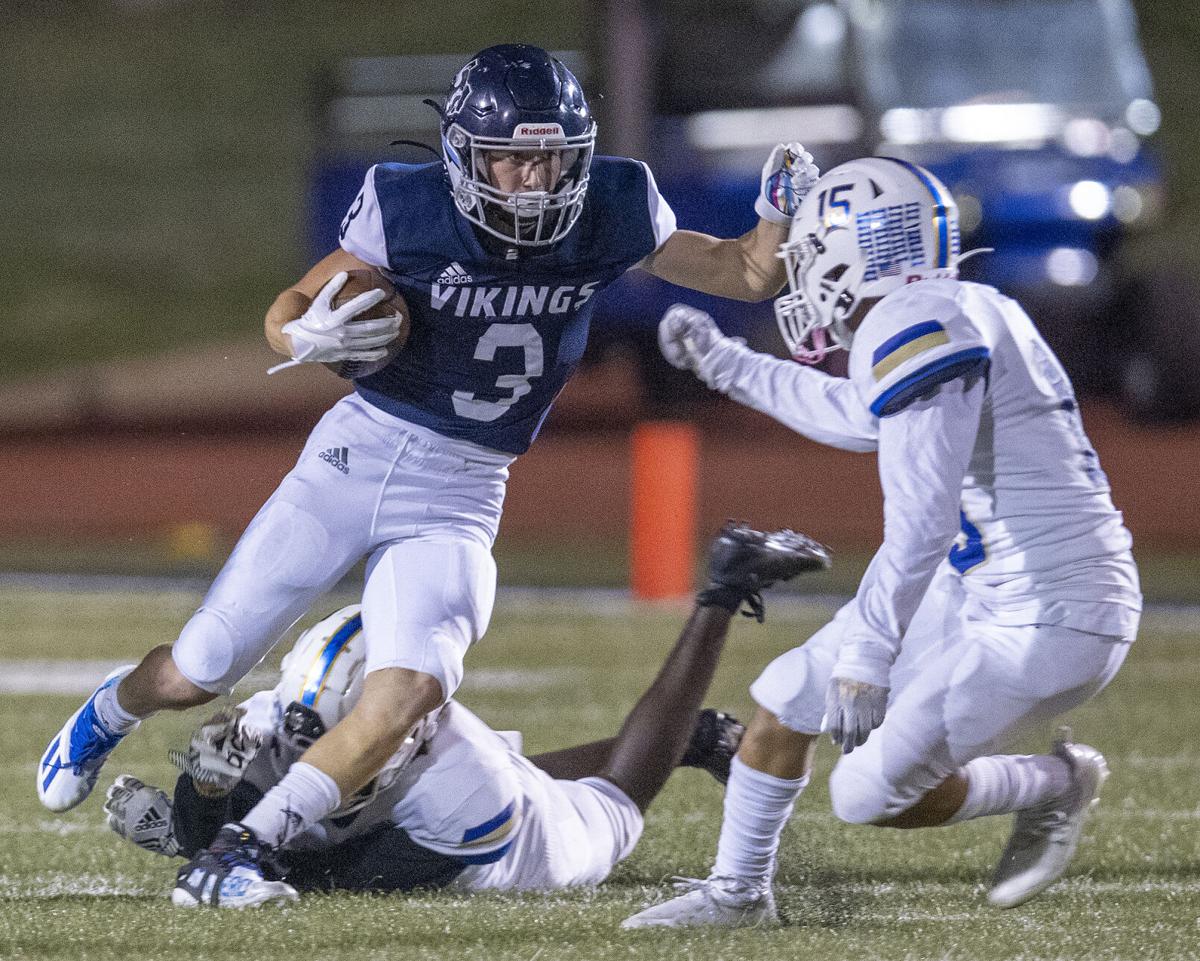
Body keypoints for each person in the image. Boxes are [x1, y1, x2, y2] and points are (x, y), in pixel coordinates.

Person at [37, 42, 822, 903]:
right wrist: (303, 335)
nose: (533, 181)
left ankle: (241, 851)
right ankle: (111, 709)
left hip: (464, 487)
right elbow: (287, 308)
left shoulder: (614, 203)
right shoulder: (407, 207)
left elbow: (748, 270)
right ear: (462, 154)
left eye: (551, 158)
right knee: (201, 666)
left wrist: (780, 214)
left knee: (408, 688)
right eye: (511, 158)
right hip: (357, 455)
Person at [621, 156, 1142, 928]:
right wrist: (728, 364)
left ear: (850, 249)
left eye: (808, 251)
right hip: (988, 582)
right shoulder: (949, 307)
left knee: (866, 793)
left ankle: (1055, 782)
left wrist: (868, 654)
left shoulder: (920, 324)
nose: (799, 271)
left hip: (1053, 616)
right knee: (786, 696)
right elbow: (859, 416)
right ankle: (738, 895)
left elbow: (924, 520)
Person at [102, 524, 830, 906]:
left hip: (530, 833)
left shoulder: (466, 794)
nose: (304, 755)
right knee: (343, 794)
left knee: (613, 799)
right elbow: (257, 820)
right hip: (446, 771)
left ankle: (720, 601)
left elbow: (334, 877)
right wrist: (201, 793)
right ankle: (701, 737)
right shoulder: (287, 711)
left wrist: (194, 840)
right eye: (304, 736)